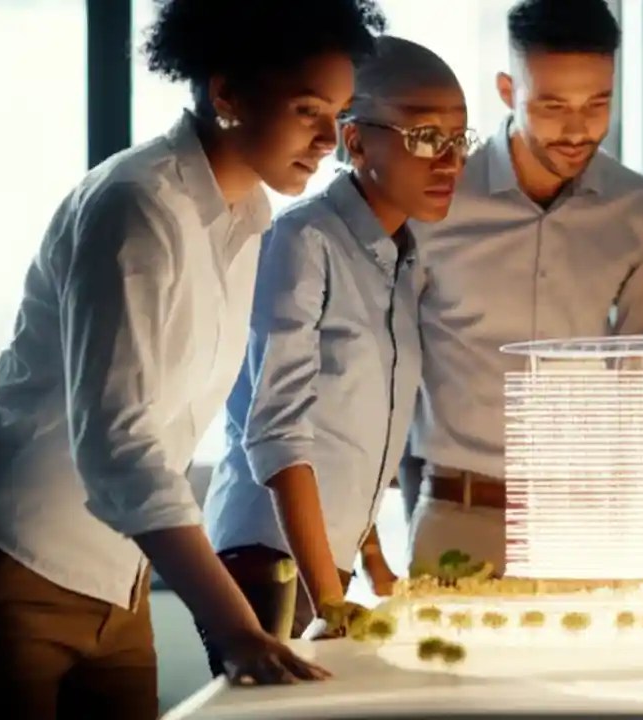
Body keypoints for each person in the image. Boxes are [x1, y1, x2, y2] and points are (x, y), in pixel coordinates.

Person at [0, 0, 384, 714]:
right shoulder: (137, 203)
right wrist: (236, 625)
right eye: (307, 110)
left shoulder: (249, 219)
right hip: (16, 563)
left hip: (119, 578)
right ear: (226, 93)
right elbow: (119, 443)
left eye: (337, 115)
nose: (326, 139)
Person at [200, 37, 470, 670]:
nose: (450, 161)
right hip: (268, 560)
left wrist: (372, 564)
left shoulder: (402, 259)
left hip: (325, 567)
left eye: (460, 139)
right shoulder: (303, 240)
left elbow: (352, 439)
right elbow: (278, 433)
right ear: (355, 142)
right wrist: (329, 599)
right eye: (426, 137)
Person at [404, 0, 643, 575]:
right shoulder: (438, 201)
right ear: (507, 90)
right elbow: (393, 368)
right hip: (458, 513)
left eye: (597, 103)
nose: (577, 130)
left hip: (589, 523)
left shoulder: (637, 208)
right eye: (552, 106)